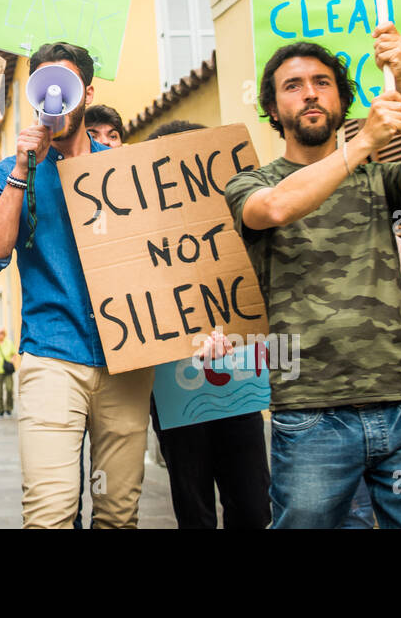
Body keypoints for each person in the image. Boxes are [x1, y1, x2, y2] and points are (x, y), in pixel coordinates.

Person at [223, 25, 401, 528]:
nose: (310, 92)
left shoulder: (381, 179)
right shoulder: (250, 183)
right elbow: (278, 208)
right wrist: (360, 145)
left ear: (341, 99)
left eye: (322, 82)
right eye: (293, 85)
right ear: (272, 109)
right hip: (311, 410)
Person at [0, 41, 156, 529]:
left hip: (127, 362)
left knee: (119, 516)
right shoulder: (7, 173)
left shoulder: (125, 168)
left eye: (68, 86)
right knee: (49, 516)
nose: (56, 96)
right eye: (45, 85)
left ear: (87, 93)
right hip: (52, 357)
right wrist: (19, 171)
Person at [143, 120, 271, 529]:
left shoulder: (236, 217)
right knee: (193, 506)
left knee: (253, 503)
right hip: (172, 382)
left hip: (236, 372)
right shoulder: (138, 237)